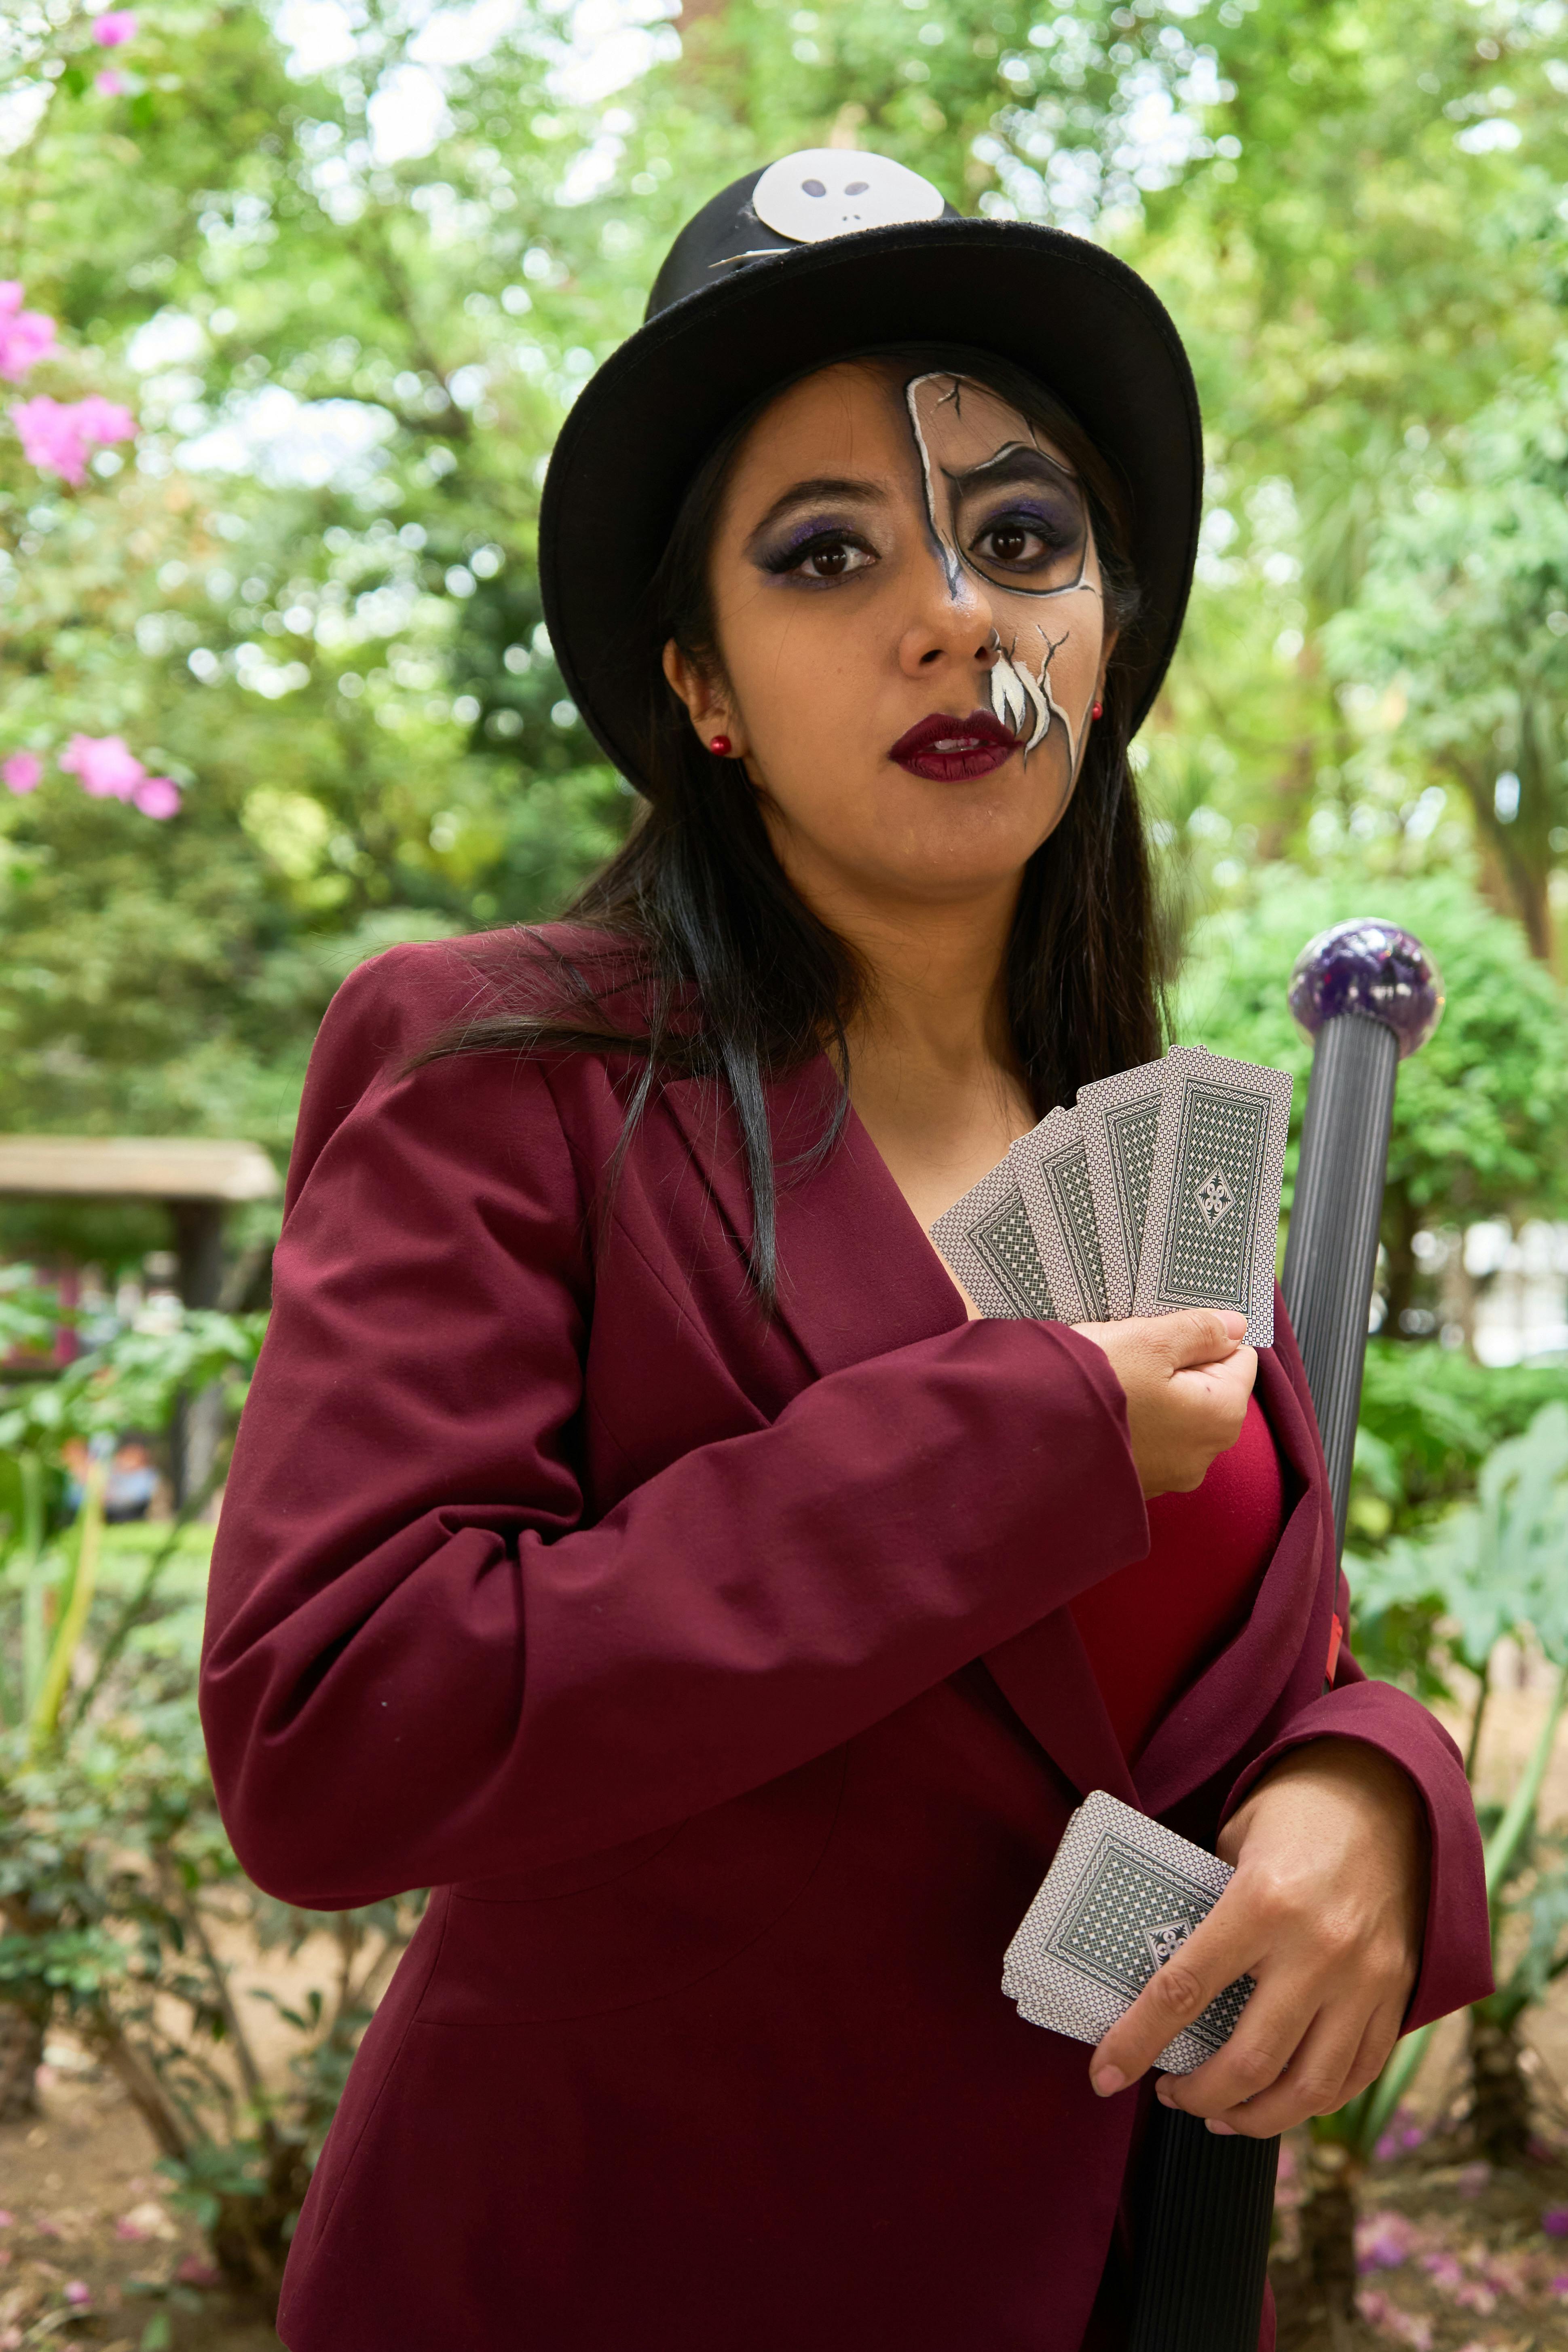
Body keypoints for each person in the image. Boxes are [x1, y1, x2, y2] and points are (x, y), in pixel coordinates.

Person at [200, 152, 1490, 2351]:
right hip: (604, 2272)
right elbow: (333, 1733)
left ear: (1108, 644)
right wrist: (1004, 1441)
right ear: (700, 681)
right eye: (827, 556)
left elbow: (1242, 1680)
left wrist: (1369, 1795)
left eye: (1020, 540)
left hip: (1102, 2275)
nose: (953, 618)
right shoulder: (495, 1066)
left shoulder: (1141, 1139)